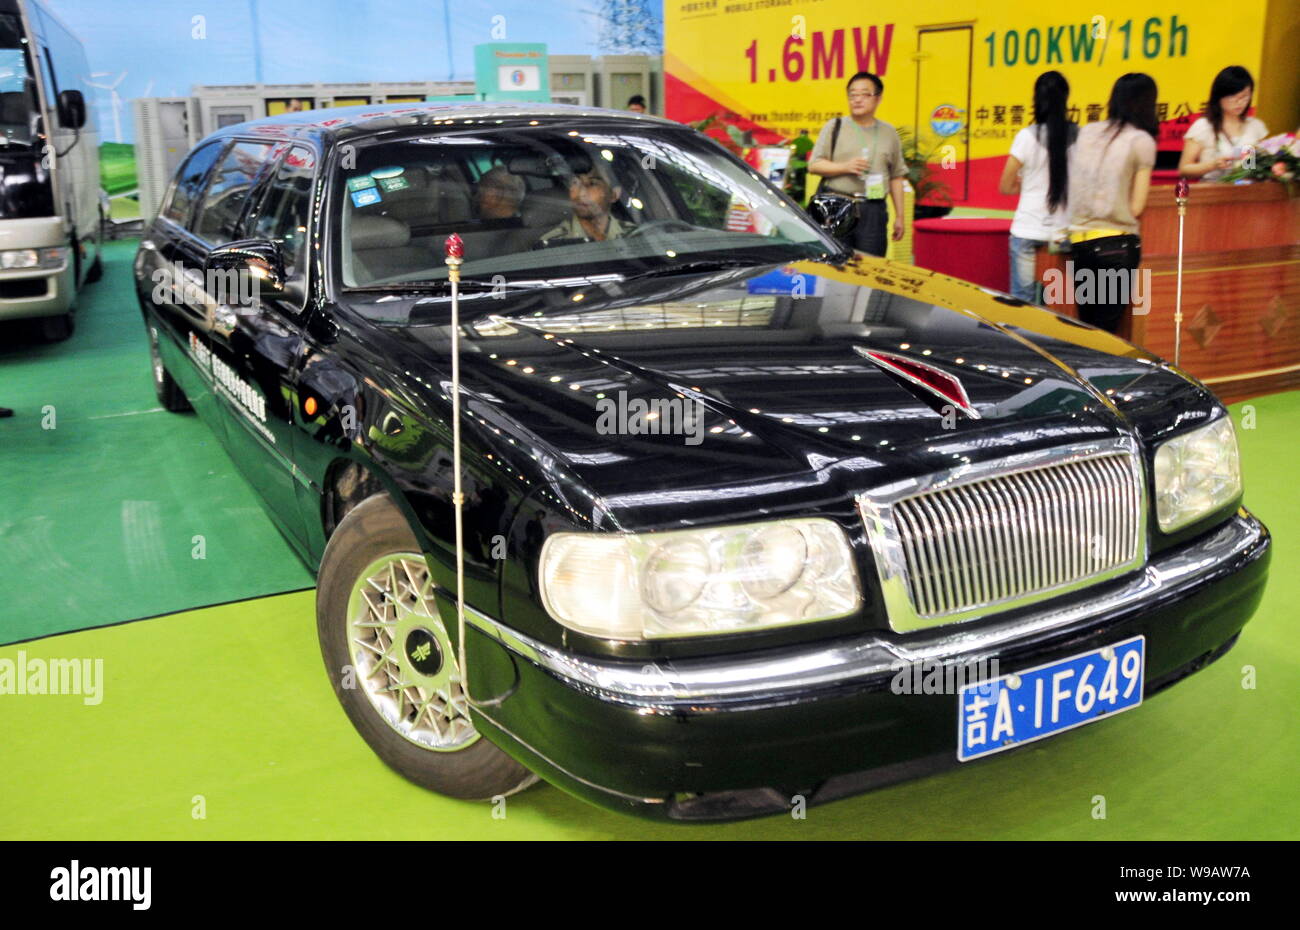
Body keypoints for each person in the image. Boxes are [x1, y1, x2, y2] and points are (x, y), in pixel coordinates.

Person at [1067, 73, 1158, 334]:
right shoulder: (1141, 141)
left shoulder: (1087, 132)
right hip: (1116, 246)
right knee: (1107, 333)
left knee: (1087, 328)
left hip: (1080, 243)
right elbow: (1137, 207)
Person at [807, 71, 908, 256]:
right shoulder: (835, 127)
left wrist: (900, 216)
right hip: (837, 206)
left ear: (878, 98)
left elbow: (896, 176)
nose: (857, 100)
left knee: (872, 266)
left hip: (873, 209)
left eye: (864, 94)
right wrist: (844, 167)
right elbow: (814, 165)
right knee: (835, 263)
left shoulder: (889, 133)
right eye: (853, 95)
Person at [999, 71, 1076, 304]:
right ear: (1065, 98)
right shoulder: (1079, 135)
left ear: (1036, 99)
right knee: (1059, 303)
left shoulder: (1026, 136)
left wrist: (1026, 186)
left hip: (1028, 230)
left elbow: (1005, 185)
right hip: (1064, 232)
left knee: (1023, 304)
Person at [1179, 66, 1268, 180]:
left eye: (1245, 97)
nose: (1240, 102)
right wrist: (1213, 165)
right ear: (1219, 96)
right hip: (1213, 191)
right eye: (1233, 97)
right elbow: (1184, 170)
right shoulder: (1203, 126)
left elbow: (1261, 164)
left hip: (1247, 191)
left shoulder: (1256, 126)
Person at [539, 166, 626, 243]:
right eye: (575, 183)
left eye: (592, 183)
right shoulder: (555, 243)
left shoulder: (635, 237)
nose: (581, 194)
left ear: (614, 194)